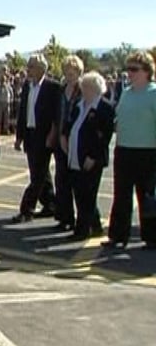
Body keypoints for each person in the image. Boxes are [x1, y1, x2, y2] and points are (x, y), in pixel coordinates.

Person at [105, 51, 156, 250]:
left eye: (134, 69)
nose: (130, 73)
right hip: (124, 150)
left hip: (148, 152)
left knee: (147, 196)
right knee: (121, 195)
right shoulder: (126, 92)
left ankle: (151, 237)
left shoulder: (153, 93)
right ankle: (118, 235)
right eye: (128, 69)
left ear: (146, 71)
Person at [61, 71, 114, 241]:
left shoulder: (104, 107)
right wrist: (64, 137)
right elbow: (69, 125)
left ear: (96, 89)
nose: (83, 90)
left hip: (92, 159)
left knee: (88, 195)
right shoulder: (79, 104)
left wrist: (93, 156)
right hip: (75, 156)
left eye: (87, 87)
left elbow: (104, 137)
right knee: (80, 192)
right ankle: (95, 225)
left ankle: (82, 230)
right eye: (83, 87)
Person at [12, 54, 61, 223]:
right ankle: (51, 205)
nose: (28, 69)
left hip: (44, 136)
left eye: (31, 66)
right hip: (30, 135)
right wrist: (19, 137)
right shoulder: (27, 86)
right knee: (40, 173)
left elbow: (57, 115)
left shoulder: (53, 87)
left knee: (37, 176)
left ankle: (26, 209)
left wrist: (52, 135)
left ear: (41, 69)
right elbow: (22, 113)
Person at [54, 56, 84, 232]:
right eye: (66, 72)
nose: (69, 76)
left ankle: (84, 221)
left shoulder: (83, 90)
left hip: (77, 140)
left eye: (72, 73)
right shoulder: (61, 89)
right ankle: (65, 217)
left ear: (79, 73)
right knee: (61, 180)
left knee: (78, 183)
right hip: (60, 138)